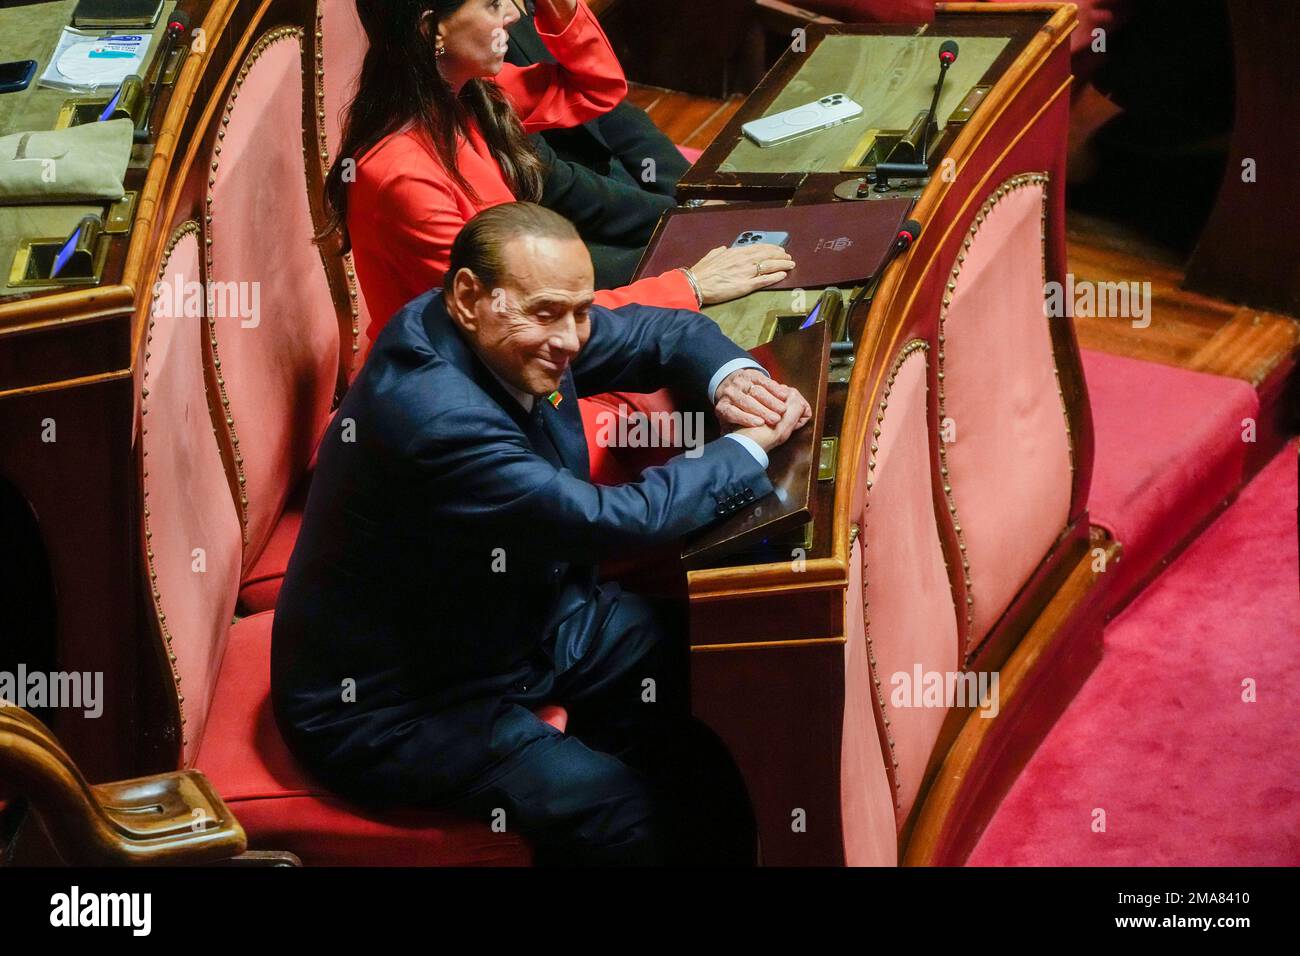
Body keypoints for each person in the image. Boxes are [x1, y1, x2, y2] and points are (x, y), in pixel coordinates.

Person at [272, 202, 812, 865]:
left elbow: (660, 333)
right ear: (469, 296)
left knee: (713, 667)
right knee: (626, 817)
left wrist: (740, 380)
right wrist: (749, 448)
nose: (572, 339)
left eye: (580, 311)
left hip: (517, 621)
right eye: (549, 314)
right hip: (400, 704)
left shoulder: (505, 324)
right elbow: (612, 520)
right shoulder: (435, 418)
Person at [322, 0, 793, 355]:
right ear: (432, 32)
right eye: (491, 3)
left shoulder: (470, 95)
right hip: (468, 384)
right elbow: (513, 324)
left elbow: (597, 88)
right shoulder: (403, 175)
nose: (512, 12)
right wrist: (688, 285)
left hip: (525, 345)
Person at [503, 1, 688, 289]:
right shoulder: (464, 64)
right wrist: (673, 217)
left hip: (617, 192)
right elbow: (548, 180)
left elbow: (610, 108)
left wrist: (688, 189)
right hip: (550, 234)